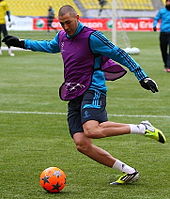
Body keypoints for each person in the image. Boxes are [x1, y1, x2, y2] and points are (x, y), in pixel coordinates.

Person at [2, 5, 166, 185]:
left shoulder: (92, 37)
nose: (65, 27)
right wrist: (21, 42)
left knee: (92, 130)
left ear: (77, 17)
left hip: (92, 88)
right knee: (82, 143)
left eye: (68, 23)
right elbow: (48, 46)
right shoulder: (62, 36)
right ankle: (129, 171)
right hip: (73, 91)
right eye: (62, 23)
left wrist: (142, 76)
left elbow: (119, 53)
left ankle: (142, 128)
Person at [153, 0, 170, 72]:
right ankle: (166, 65)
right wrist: (154, 25)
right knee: (163, 50)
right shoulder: (162, 11)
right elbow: (156, 18)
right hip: (163, 33)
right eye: (168, 1)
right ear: (166, 2)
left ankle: (169, 66)